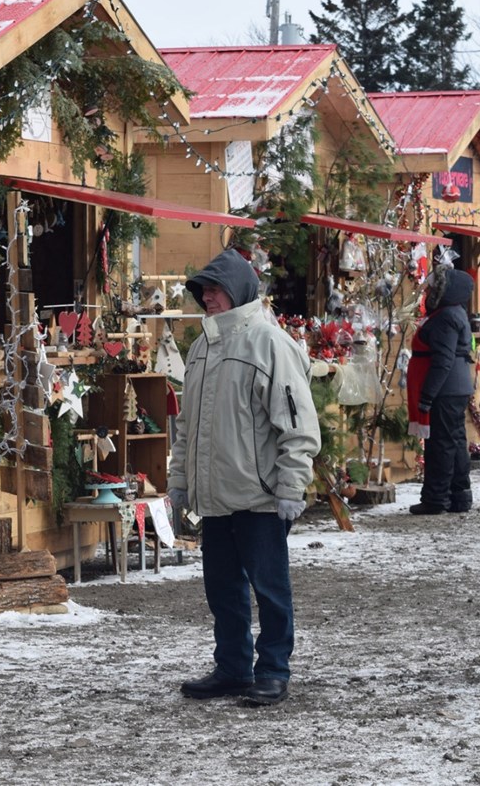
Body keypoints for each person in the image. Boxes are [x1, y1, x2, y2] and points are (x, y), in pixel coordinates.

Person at [166, 248, 320, 709]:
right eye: (203, 290)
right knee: (223, 590)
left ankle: (273, 670)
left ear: (239, 290)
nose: (206, 297)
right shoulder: (200, 348)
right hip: (214, 496)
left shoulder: (270, 343)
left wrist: (292, 488)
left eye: (214, 289)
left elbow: (297, 425)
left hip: (262, 496)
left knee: (270, 589)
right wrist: (180, 480)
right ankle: (233, 668)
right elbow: (186, 426)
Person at [405, 266, 476, 514]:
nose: (429, 291)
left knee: (441, 444)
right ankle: (459, 495)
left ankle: (436, 498)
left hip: (445, 389)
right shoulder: (454, 313)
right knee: (454, 442)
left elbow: (443, 360)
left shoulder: (446, 317)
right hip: (454, 386)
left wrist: (427, 396)